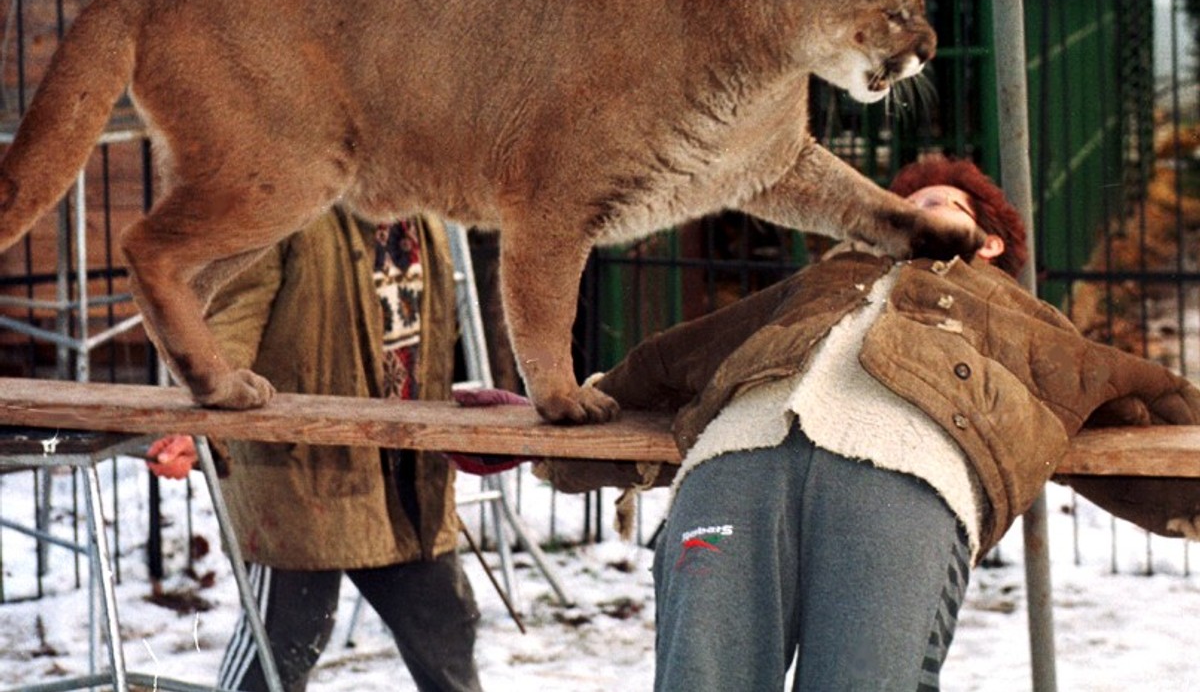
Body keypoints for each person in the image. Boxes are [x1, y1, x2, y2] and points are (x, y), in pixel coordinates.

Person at [539, 155, 1200, 691]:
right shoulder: (813, 284)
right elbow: (667, 359)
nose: (914, 212)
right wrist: (563, 430)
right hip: (736, 461)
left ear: (990, 242)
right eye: (900, 206)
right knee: (701, 676)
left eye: (941, 203)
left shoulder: (1018, 318)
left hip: (906, 477)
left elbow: (1142, 394)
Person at [147, 209, 483, 692]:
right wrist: (198, 427)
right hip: (300, 474)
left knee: (445, 624)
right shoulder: (291, 197)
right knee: (284, 639)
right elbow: (230, 320)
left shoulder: (424, 207)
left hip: (405, 474)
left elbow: (431, 332)